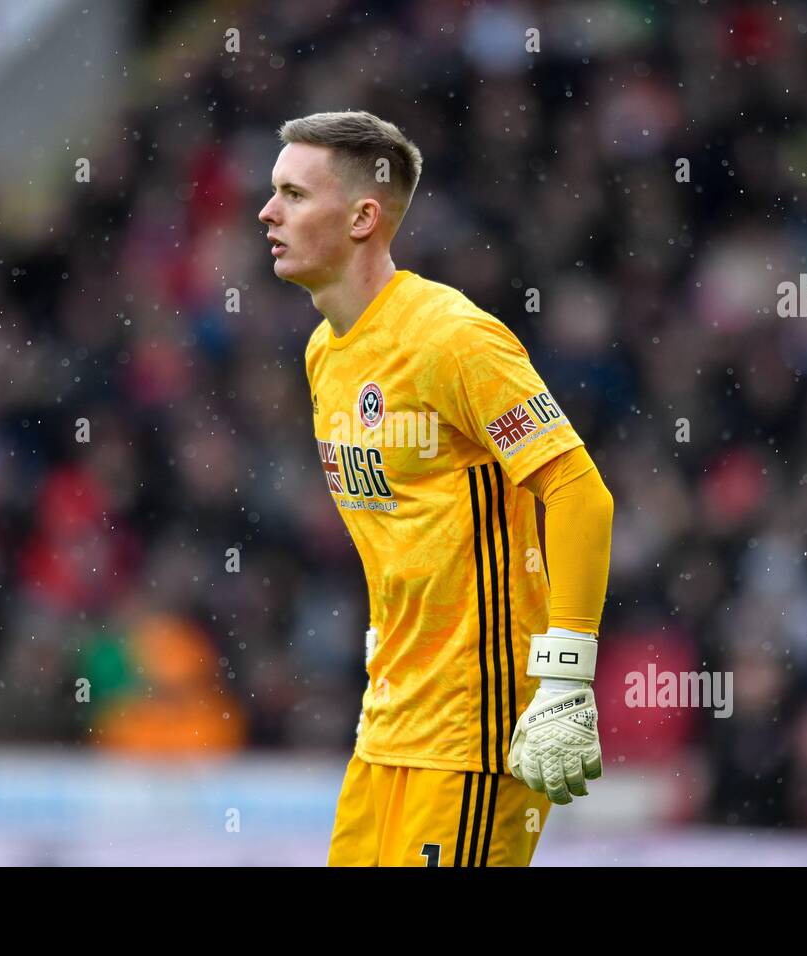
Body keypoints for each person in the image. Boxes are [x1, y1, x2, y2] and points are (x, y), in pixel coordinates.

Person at [259, 110, 614, 866]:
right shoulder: (326, 352)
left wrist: (565, 679)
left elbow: (581, 492)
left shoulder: (454, 338)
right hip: (388, 726)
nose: (268, 212)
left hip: (475, 730)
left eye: (292, 194)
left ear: (362, 216)